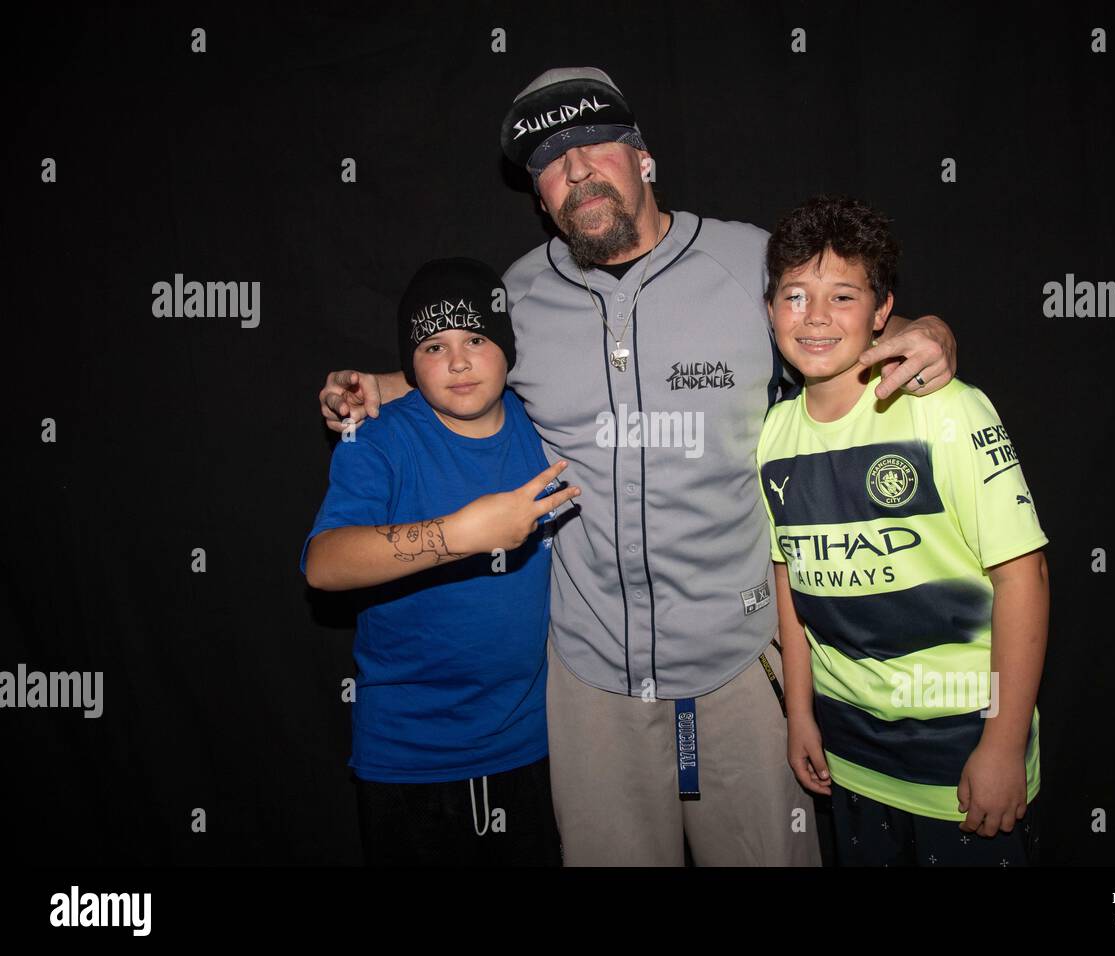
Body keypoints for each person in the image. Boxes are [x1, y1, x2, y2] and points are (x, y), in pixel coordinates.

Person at [317, 68, 958, 866]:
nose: (577, 169)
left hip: (744, 668)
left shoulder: (749, 262)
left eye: (594, 144)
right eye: (549, 161)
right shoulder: (516, 296)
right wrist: (379, 385)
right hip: (590, 684)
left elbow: (844, 332)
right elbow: (462, 372)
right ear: (539, 197)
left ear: (643, 157)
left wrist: (933, 326)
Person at [758, 195, 1049, 866]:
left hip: (963, 754)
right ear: (771, 308)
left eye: (843, 296)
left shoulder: (944, 411)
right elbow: (790, 580)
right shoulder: (774, 433)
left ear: (883, 311)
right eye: (795, 296)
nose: (817, 318)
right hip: (852, 758)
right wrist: (798, 711)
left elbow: (1023, 575)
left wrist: (1003, 746)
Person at [301, 257, 580, 866]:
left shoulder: (546, 430)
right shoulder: (378, 438)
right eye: (434, 346)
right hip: (409, 757)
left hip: (528, 747)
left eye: (476, 339)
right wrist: (461, 533)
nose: (457, 361)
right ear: (409, 362)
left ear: (506, 348)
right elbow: (323, 564)